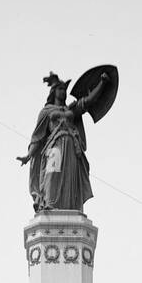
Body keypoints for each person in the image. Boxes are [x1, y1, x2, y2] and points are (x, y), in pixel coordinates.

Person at [17, 71, 111, 212]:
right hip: (55, 146)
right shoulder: (46, 112)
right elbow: (37, 137)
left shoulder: (71, 109)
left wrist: (102, 82)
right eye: (60, 89)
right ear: (54, 92)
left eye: (64, 90)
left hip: (72, 147)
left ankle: (70, 207)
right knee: (52, 174)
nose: (63, 92)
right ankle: (48, 203)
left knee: (70, 179)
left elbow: (89, 101)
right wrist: (29, 155)